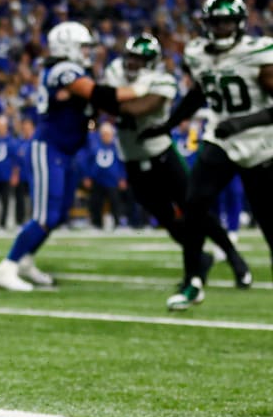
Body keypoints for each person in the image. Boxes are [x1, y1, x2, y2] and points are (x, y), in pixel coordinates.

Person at [140, 0, 273, 309]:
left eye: (227, 23)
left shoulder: (259, 52)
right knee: (193, 202)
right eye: (215, 22)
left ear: (239, 24)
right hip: (221, 138)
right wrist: (168, 124)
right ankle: (193, 281)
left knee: (269, 220)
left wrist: (242, 124)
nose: (221, 29)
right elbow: (200, 92)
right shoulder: (197, 52)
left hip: (261, 142)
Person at [0, 21, 145, 291]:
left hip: (67, 151)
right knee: (44, 216)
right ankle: (7, 266)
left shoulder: (73, 70)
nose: (88, 52)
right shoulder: (63, 69)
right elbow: (95, 94)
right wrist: (140, 89)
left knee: (59, 214)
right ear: (68, 46)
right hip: (49, 148)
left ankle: (25, 260)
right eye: (83, 46)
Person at [104, 33, 247, 296]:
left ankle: (234, 257)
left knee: (194, 208)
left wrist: (107, 98)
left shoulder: (162, 80)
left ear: (151, 62)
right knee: (166, 218)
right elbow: (114, 102)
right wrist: (113, 98)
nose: (132, 63)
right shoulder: (114, 70)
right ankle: (199, 259)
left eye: (139, 59)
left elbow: (136, 109)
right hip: (132, 159)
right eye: (130, 57)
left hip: (163, 156)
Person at [80, 123, 126, 230]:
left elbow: (122, 163)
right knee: (96, 202)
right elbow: (87, 162)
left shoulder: (116, 147)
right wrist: (87, 176)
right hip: (98, 179)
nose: (106, 136)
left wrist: (122, 178)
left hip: (112, 180)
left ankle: (118, 223)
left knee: (116, 203)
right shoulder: (95, 147)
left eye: (108, 134)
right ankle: (96, 223)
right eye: (104, 134)